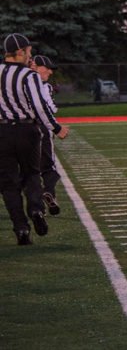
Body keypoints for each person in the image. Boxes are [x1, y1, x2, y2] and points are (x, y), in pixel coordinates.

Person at [0, 34, 68, 245]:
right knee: (32, 175)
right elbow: (39, 107)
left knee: (9, 184)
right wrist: (56, 127)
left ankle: (21, 229)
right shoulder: (28, 76)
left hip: (1, 131)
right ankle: (36, 210)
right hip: (26, 130)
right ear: (19, 52)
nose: (30, 57)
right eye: (28, 52)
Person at [30, 55, 62, 216]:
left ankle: (36, 207)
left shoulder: (13, 80)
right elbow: (50, 109)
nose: (50, 71)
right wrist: (55, 127)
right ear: (34, 66)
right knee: (48, 168)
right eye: (47, 67)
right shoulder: (43, 86)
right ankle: (48, 192)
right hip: (40, 127)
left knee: (26, 171)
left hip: (15, 131)